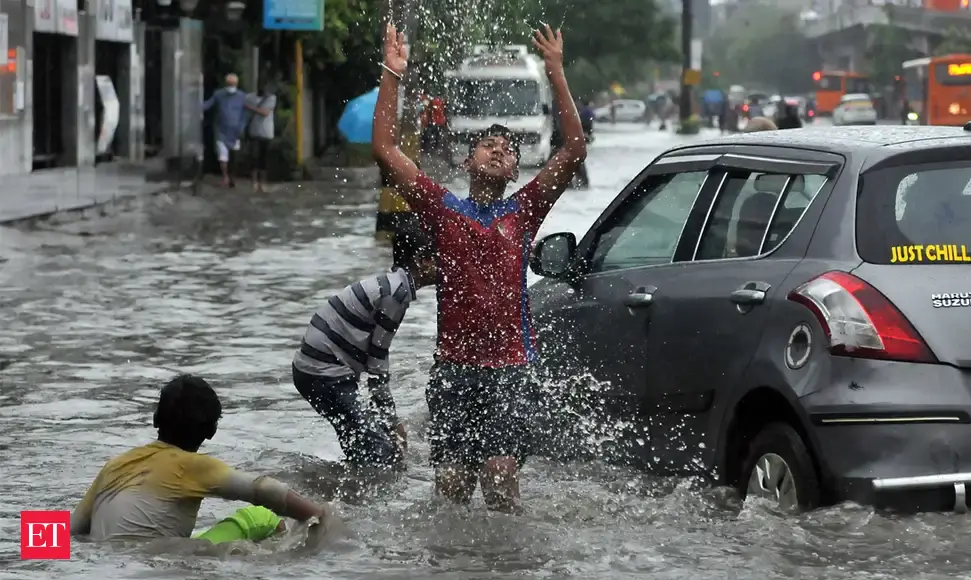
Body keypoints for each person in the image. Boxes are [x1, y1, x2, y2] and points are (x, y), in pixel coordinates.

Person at [371, 22, 586, 512]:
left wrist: (554, 70)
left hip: (510, 369)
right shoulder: (442, 210)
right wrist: (392, 72)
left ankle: (508, 559)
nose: (498, 149)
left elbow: (574, 151)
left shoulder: (524, 212)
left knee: (500, 476)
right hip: (453, 370)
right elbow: (385, 151)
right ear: (468, 162)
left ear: (514, 171)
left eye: (507, 149)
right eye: (488, 144)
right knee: (451, 487)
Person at [71, 374, 331, 541]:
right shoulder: (193, 466)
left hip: (110, 563)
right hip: (157, 563)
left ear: (155, 419)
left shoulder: (115, 465)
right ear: (211, 431)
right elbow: (265, 489)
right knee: (260, 517)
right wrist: (322, 516)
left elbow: (71, 530)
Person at [291, 221, 436, 466]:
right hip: (325, 374)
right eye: (443, 256)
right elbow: (377, 363)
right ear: (423, 261)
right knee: (383, 457)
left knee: (363, 447)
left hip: (315, 371)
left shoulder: (390, 285)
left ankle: (330, 484)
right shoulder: (395, 295)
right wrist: (392, 422)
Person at [203, 73, 246, 188]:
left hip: (235, 130)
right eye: (229, 84)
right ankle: (225, 177)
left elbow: (244, 113)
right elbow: (207, 105)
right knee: (223, 156)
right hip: (221, 130)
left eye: (232, 84)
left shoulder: (242, 96)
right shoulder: (219, 94)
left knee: (234, 156)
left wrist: (242, 127)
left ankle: (232, 177)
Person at [244, 82, 278, 194]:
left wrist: (250, 107)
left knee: (264, 158)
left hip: (266, 132)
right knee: (254, 157)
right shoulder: (250, 97)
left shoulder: (271, 98)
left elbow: (265, 112)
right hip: (253, 131)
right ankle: (254, 182)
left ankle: (262, 183)